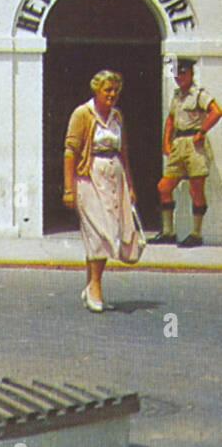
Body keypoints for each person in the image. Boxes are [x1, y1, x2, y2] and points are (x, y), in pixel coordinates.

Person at [63, 71, 144, 312]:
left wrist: (130, 185)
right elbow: (70, 151)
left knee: (107, 233)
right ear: (96, 89)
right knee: (99, 233)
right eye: (107, 90)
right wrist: (68, 189)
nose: (112, 95)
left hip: (114, 179)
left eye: (115, 90)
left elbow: (123, 152)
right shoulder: (82, 114)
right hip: (89, 177)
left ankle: (92, 286)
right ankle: (95, 288)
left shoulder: (117, 115)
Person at [150, 58, 220, 247]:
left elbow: (216, 111)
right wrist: (166, 141)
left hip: (194, 145)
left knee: (195, 190)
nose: (179, 76)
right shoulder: (177, 96)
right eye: (176, 73)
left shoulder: (199, 94)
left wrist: (202, 131)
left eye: (183, 72)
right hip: (178, 143)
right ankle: (168, 231)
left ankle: (196, 234)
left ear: (191, 73)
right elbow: (171, 119)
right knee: (164, 187)